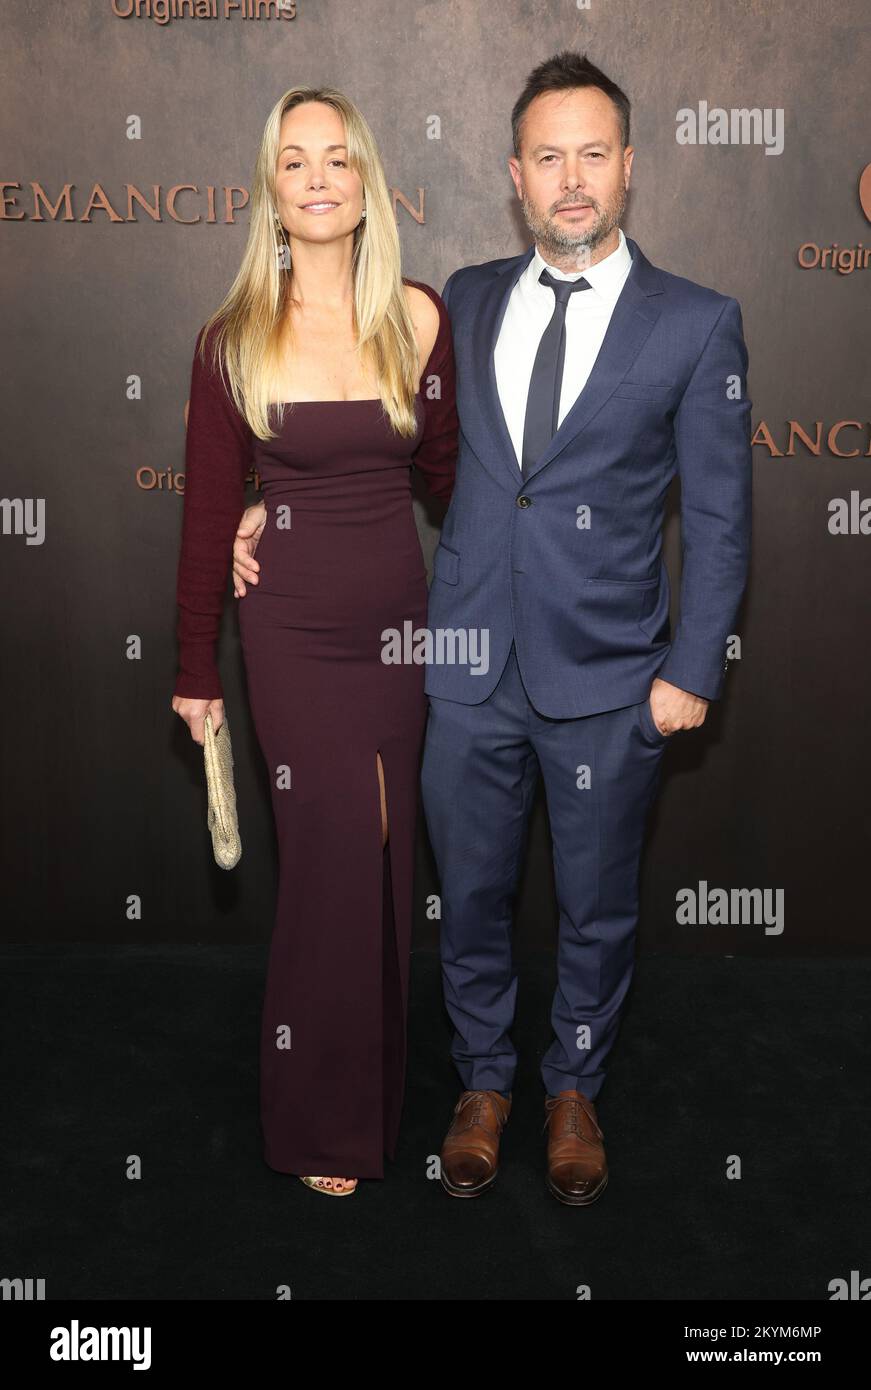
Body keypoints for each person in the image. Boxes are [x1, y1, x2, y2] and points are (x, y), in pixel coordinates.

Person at [419, 51, 752, 1205]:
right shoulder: (456, 299)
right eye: (548, 156)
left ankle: (570, 1089)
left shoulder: (697, 325)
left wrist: (689, 671)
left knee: (597, 903)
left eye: (593, 154)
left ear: (628, 170)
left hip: (613, 676)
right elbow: (384, 444)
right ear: (516, 176)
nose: (572, 179)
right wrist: (269, 500)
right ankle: (481, 1085)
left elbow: (716, 515)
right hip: (466, 666)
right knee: (467, 895)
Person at [171, 86, 456, 1196]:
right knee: (334, 849)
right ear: (272, 192)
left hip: (398, 626)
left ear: (370, 181)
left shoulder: (421, 319)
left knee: (386, 849)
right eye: (296, 162)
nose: (320, 177)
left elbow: (455, 485)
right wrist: (197, 666)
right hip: (288, 629)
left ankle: (372, 1087)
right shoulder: (230, 338)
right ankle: (318, 1122)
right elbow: (206, 513)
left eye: (338, 158)